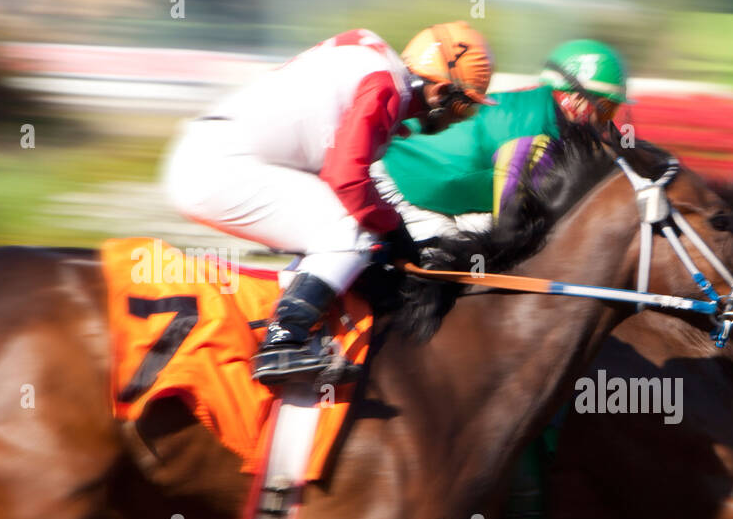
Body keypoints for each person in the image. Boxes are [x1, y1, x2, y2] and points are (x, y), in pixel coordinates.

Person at [162, 23, 496, 384]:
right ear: (440, 90)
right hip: (217, 168)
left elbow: (345, 173)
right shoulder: (386, 86)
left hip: (211, 155)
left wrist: (390, 232)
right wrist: (392, 229)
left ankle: (292, 321)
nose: (458, 120)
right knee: (347, 231)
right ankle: (283, 341)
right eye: (463, 106)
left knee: (343, 234)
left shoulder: (372, 59)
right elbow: (347, 180)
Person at [374, 38, 629, 242]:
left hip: (430, 190)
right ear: (574, 100)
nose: (607, 123)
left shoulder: (538, 110)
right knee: (452, 280)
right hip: (398, 187)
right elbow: (509, 227)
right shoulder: (536, 131)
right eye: (606, 109)